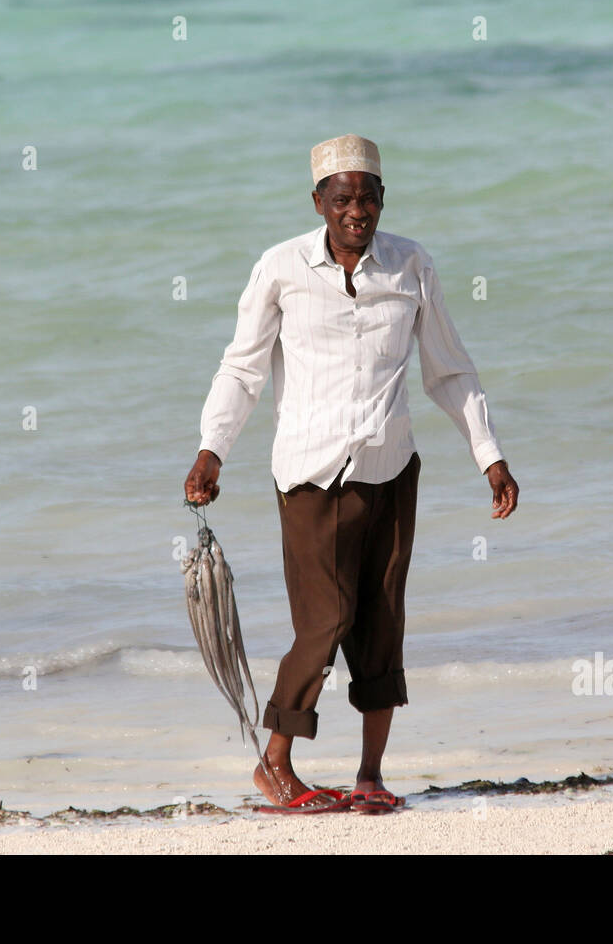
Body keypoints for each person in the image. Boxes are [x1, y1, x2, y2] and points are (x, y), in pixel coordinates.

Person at [184, 133, 518, 812]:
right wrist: (212, 448)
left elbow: (449, 370)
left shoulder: (411, 266)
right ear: (318, 202)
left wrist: (490, 455)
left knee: (381, 619)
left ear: (382, 199)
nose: (355, 210)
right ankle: (272, 763)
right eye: (342, 198)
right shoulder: (281, 269)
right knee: (326, 618)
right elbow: (243, 368)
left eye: (367, 197)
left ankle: (370, 775)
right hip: (310, 475)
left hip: (390, 469)